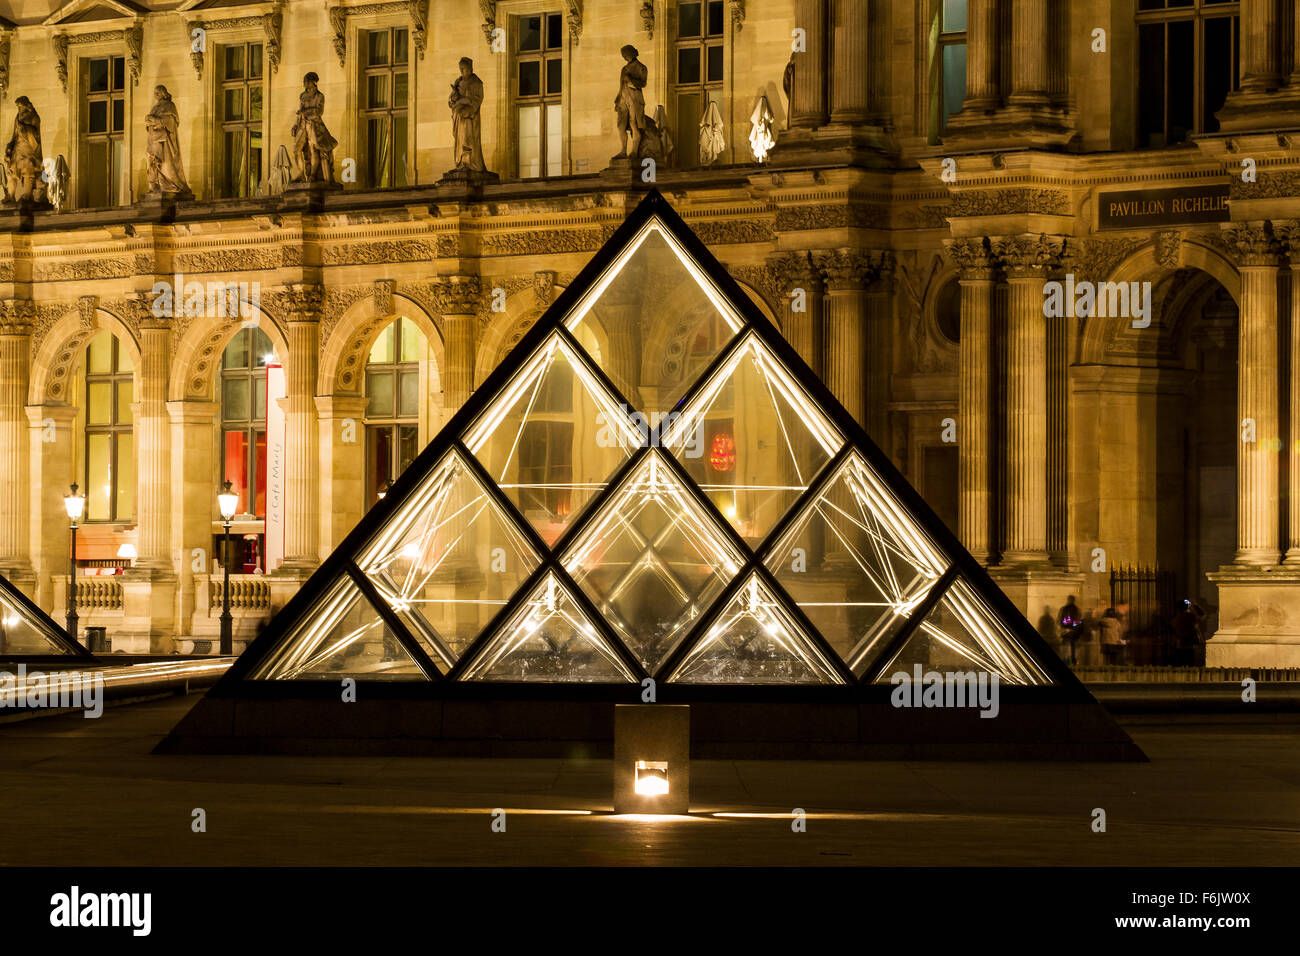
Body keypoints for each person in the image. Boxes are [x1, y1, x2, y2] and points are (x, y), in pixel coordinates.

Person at [290, 72, 337, 184]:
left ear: (313, 82)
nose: (304, 83)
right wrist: (295, 125)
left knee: (313, 150)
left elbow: (319, 112)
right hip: (302, 125)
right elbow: (299, 112)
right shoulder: (302, 95)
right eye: (304, 81)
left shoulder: (320, 96)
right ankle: (301, 174)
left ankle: (312, 175)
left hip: (314, 125)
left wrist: (306, 112)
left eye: (306, 81)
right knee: (296, 149)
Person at [145, 85, 190, 195]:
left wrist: (155, 120)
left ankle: (168, 184)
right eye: (155, 93)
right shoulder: (155, 108)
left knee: (164, 163)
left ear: (163, 93)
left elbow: (170, 122)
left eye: (158, 92)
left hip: (164, 140)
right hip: (153, 138)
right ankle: (156, 184)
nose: (156, 95)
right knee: (153, 162)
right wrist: (149, 121)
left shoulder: (170, 106)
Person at [4, 96, 45, 203]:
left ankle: (28, 195)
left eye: (20, 106)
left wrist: (24, 129)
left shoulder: (34, 117)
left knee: (28, 172)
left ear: (25, 106)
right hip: (17, 149)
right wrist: (9, 147)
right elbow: (14, 134)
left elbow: (36, 135)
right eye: (18, 107)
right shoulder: (17, 117)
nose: (19, 109)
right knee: (11, 173)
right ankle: (10, 195)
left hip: (28, 149)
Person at [449, 57, 487, 172]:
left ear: (470, 69)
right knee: (460, 140)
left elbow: (477, 100)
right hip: (458, 117)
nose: (462, 71)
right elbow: (451, 101)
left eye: (464, 69)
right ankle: (461, 162)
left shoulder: (476, 82)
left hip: (469, 117)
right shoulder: (458, 82)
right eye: (461, 69)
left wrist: (468, 107)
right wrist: (453, 98)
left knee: (469, 140)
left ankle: (470, 162)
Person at [613, 45, 648, 160]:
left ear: (630, 54)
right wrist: (618, 97)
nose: (623, 57)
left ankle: (634, 151)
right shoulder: (624, 68)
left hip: (635, 97)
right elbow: (621, 85)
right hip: (624, 97)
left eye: (624, 54)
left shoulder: (641, 67)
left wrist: (631, 80)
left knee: (634, 124)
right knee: (620, 125)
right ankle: (623, 150)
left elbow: (643, 83)